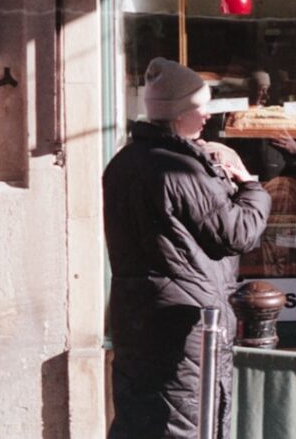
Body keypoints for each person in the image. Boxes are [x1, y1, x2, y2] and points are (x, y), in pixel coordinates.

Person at [104, 58, 271, 438]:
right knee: (187, 422)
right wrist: (251, 187)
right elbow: (238, 232)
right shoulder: (180, 169)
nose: (207, 115)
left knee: (142, 419)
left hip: (138, 319)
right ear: (178, 112)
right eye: (201, 106)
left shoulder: (123, 163)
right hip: (186, 324)